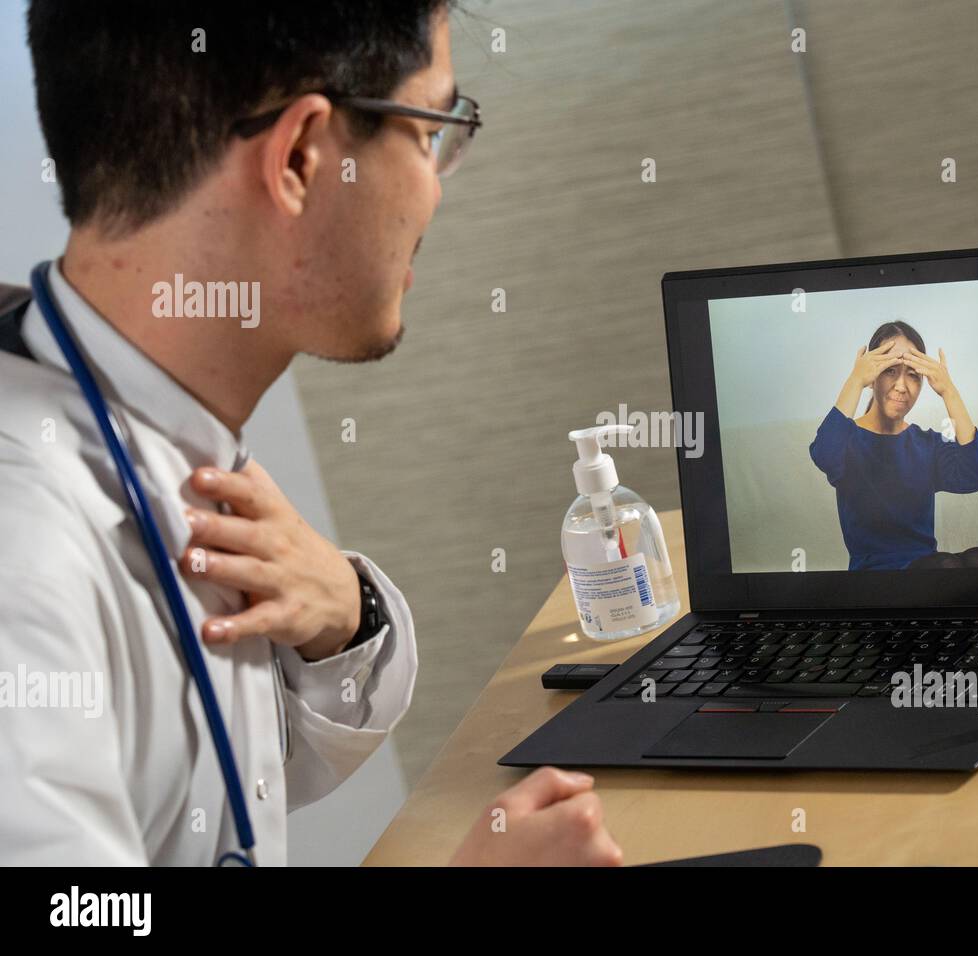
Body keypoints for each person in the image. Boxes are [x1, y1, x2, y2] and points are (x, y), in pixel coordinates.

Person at [0, 0, 621, 867]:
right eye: (433, 129)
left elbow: (216, 777)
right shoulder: (26, 550)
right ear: (300, 156)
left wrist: (346, 610)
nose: (437, 184)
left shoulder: (155, 425)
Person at [809, 320, 978, 571]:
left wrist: (949, 391)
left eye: (912, 375)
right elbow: (824, 454)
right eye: (889, 370)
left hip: (927, 568)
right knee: (946, 566)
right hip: (875, 575)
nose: (901, 386)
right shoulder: (848, 439)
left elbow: (977, 475)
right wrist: (855, 380)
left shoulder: (927, 443)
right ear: (872, 376)